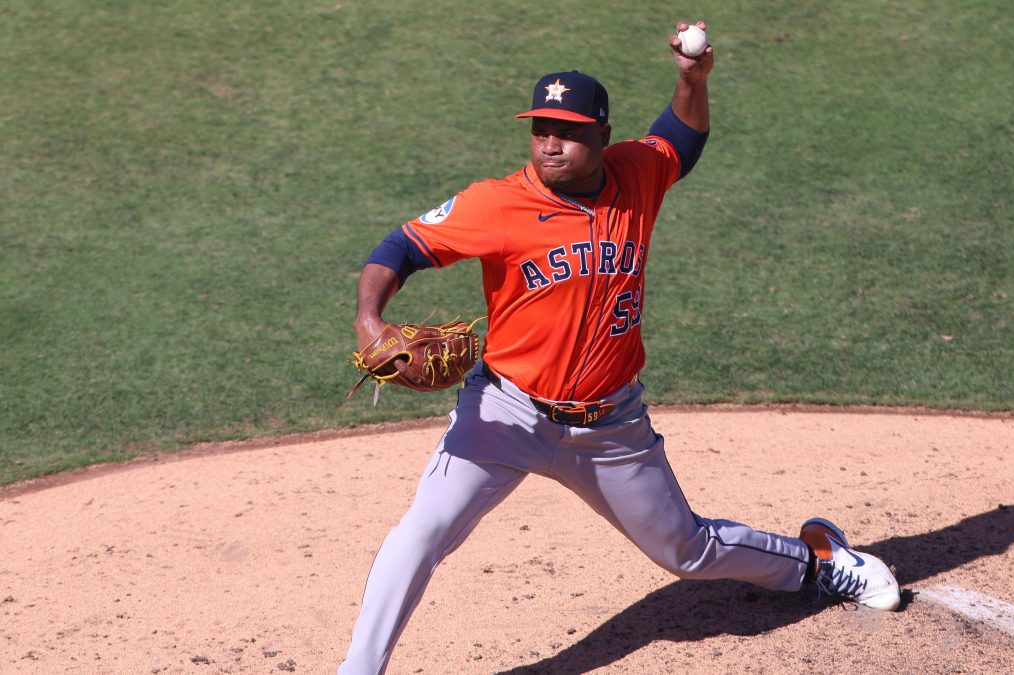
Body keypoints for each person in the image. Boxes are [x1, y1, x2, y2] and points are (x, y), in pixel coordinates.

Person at [339, 21, 900, 674]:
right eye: (542, 129)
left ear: (604, 137)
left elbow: (682, 138)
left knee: (683, 549)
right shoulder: (495, 204)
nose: (552, 144)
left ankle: (820, 560)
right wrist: (369, 317)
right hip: (504, 412)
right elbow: (400, 246)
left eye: (571, 131)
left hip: (611, 426)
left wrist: (692, 80)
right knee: (421, 531)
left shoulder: (637, 173)